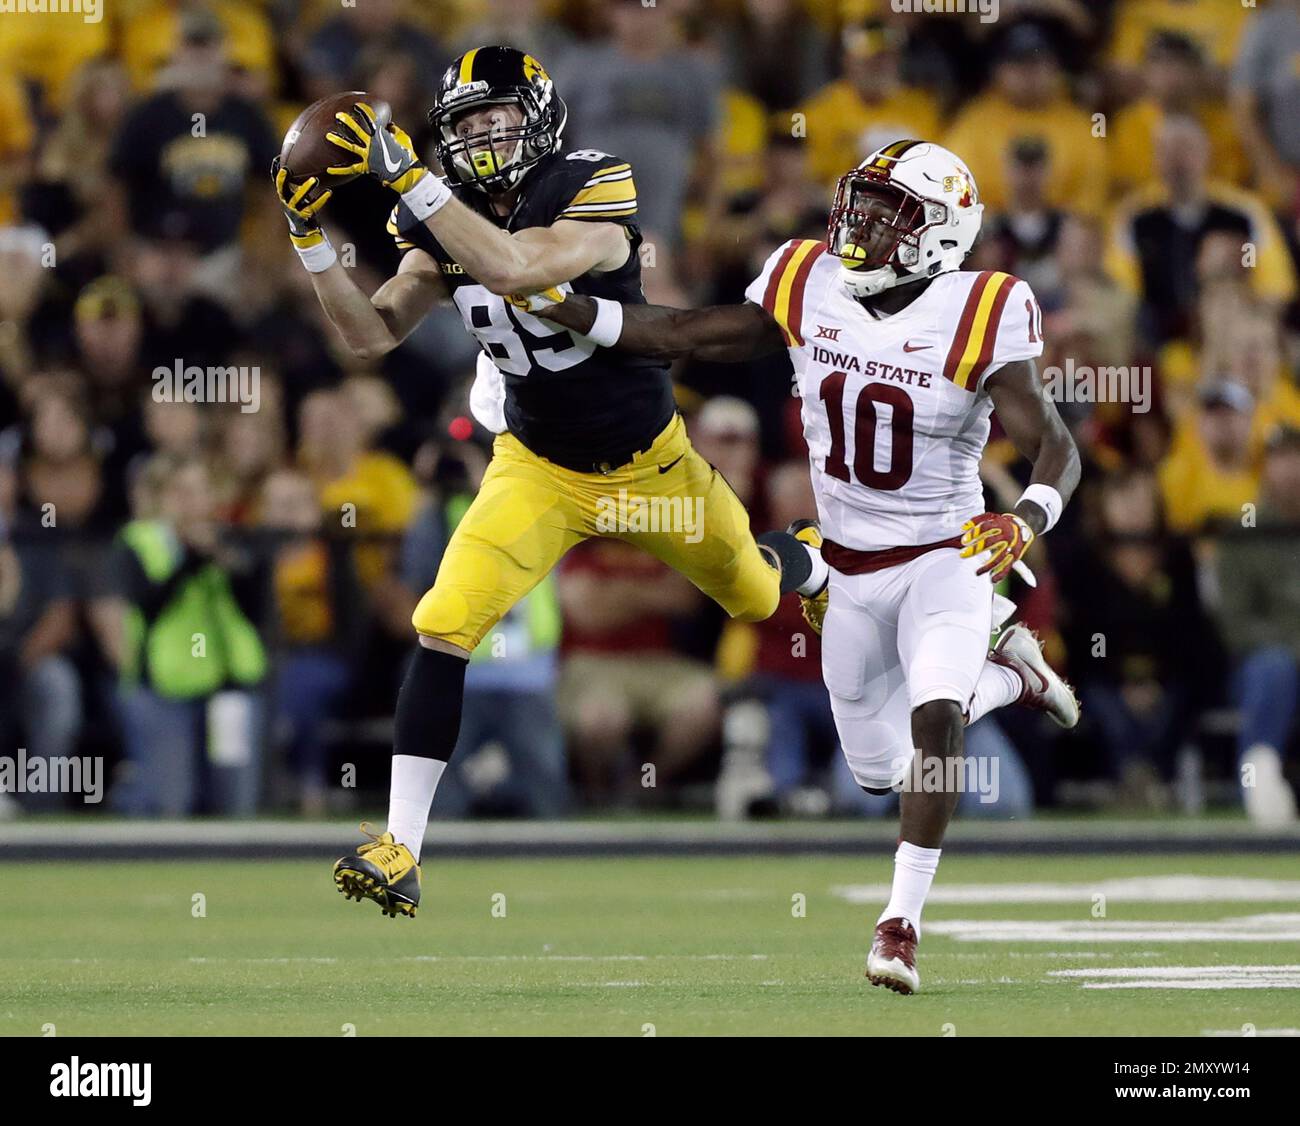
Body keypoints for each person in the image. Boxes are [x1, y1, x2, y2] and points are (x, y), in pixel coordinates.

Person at [271, 46, 820, 918]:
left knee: (756, 596)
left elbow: (519, 267)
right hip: (538, 466)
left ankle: (808, 563)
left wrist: (413, 180)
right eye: (466, 125)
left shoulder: (592, 183)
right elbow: (372, 337)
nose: (484, 137)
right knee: (444, 620)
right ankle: (401, 846)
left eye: (498, 117)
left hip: (651, 463)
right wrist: (311, 243)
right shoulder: (434, 220)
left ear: (541, 116)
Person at [528, 139, 1082, 993]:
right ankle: (1009, 676)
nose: (860, 222)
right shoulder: (805, 276)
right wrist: (561, 306)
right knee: (877, 772)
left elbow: (1053, 443)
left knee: (937, 720)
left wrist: (1024, 518)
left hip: (948, 552)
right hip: (854, 562)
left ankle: (900, 926)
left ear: (941, 233)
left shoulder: (985, 308)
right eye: (859, 202)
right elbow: (682, 335)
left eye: (887, 213)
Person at [1215, 425, 1300, 825]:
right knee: (1273, 668)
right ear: (1266, 468)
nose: (1291, 469)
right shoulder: (1242, 534)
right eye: (1281, 458)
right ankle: (1259, 779)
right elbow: (1236, 625)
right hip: (1264, 664)